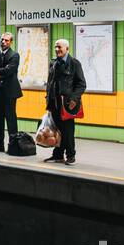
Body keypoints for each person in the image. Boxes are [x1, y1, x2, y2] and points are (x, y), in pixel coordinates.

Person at [46, 37, 87, 166]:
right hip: (54, 102)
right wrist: (48, 99)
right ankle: (57, 155)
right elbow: (50, 83)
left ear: (67, 49)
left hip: (68, 104)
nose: (57, 50)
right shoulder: (53, 63)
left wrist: (75, 98)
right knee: (57, 130)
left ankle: (71, 156)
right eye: (56, 47)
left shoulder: (74, 63)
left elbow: (81, 84)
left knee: (68, 131)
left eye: (60, 47)